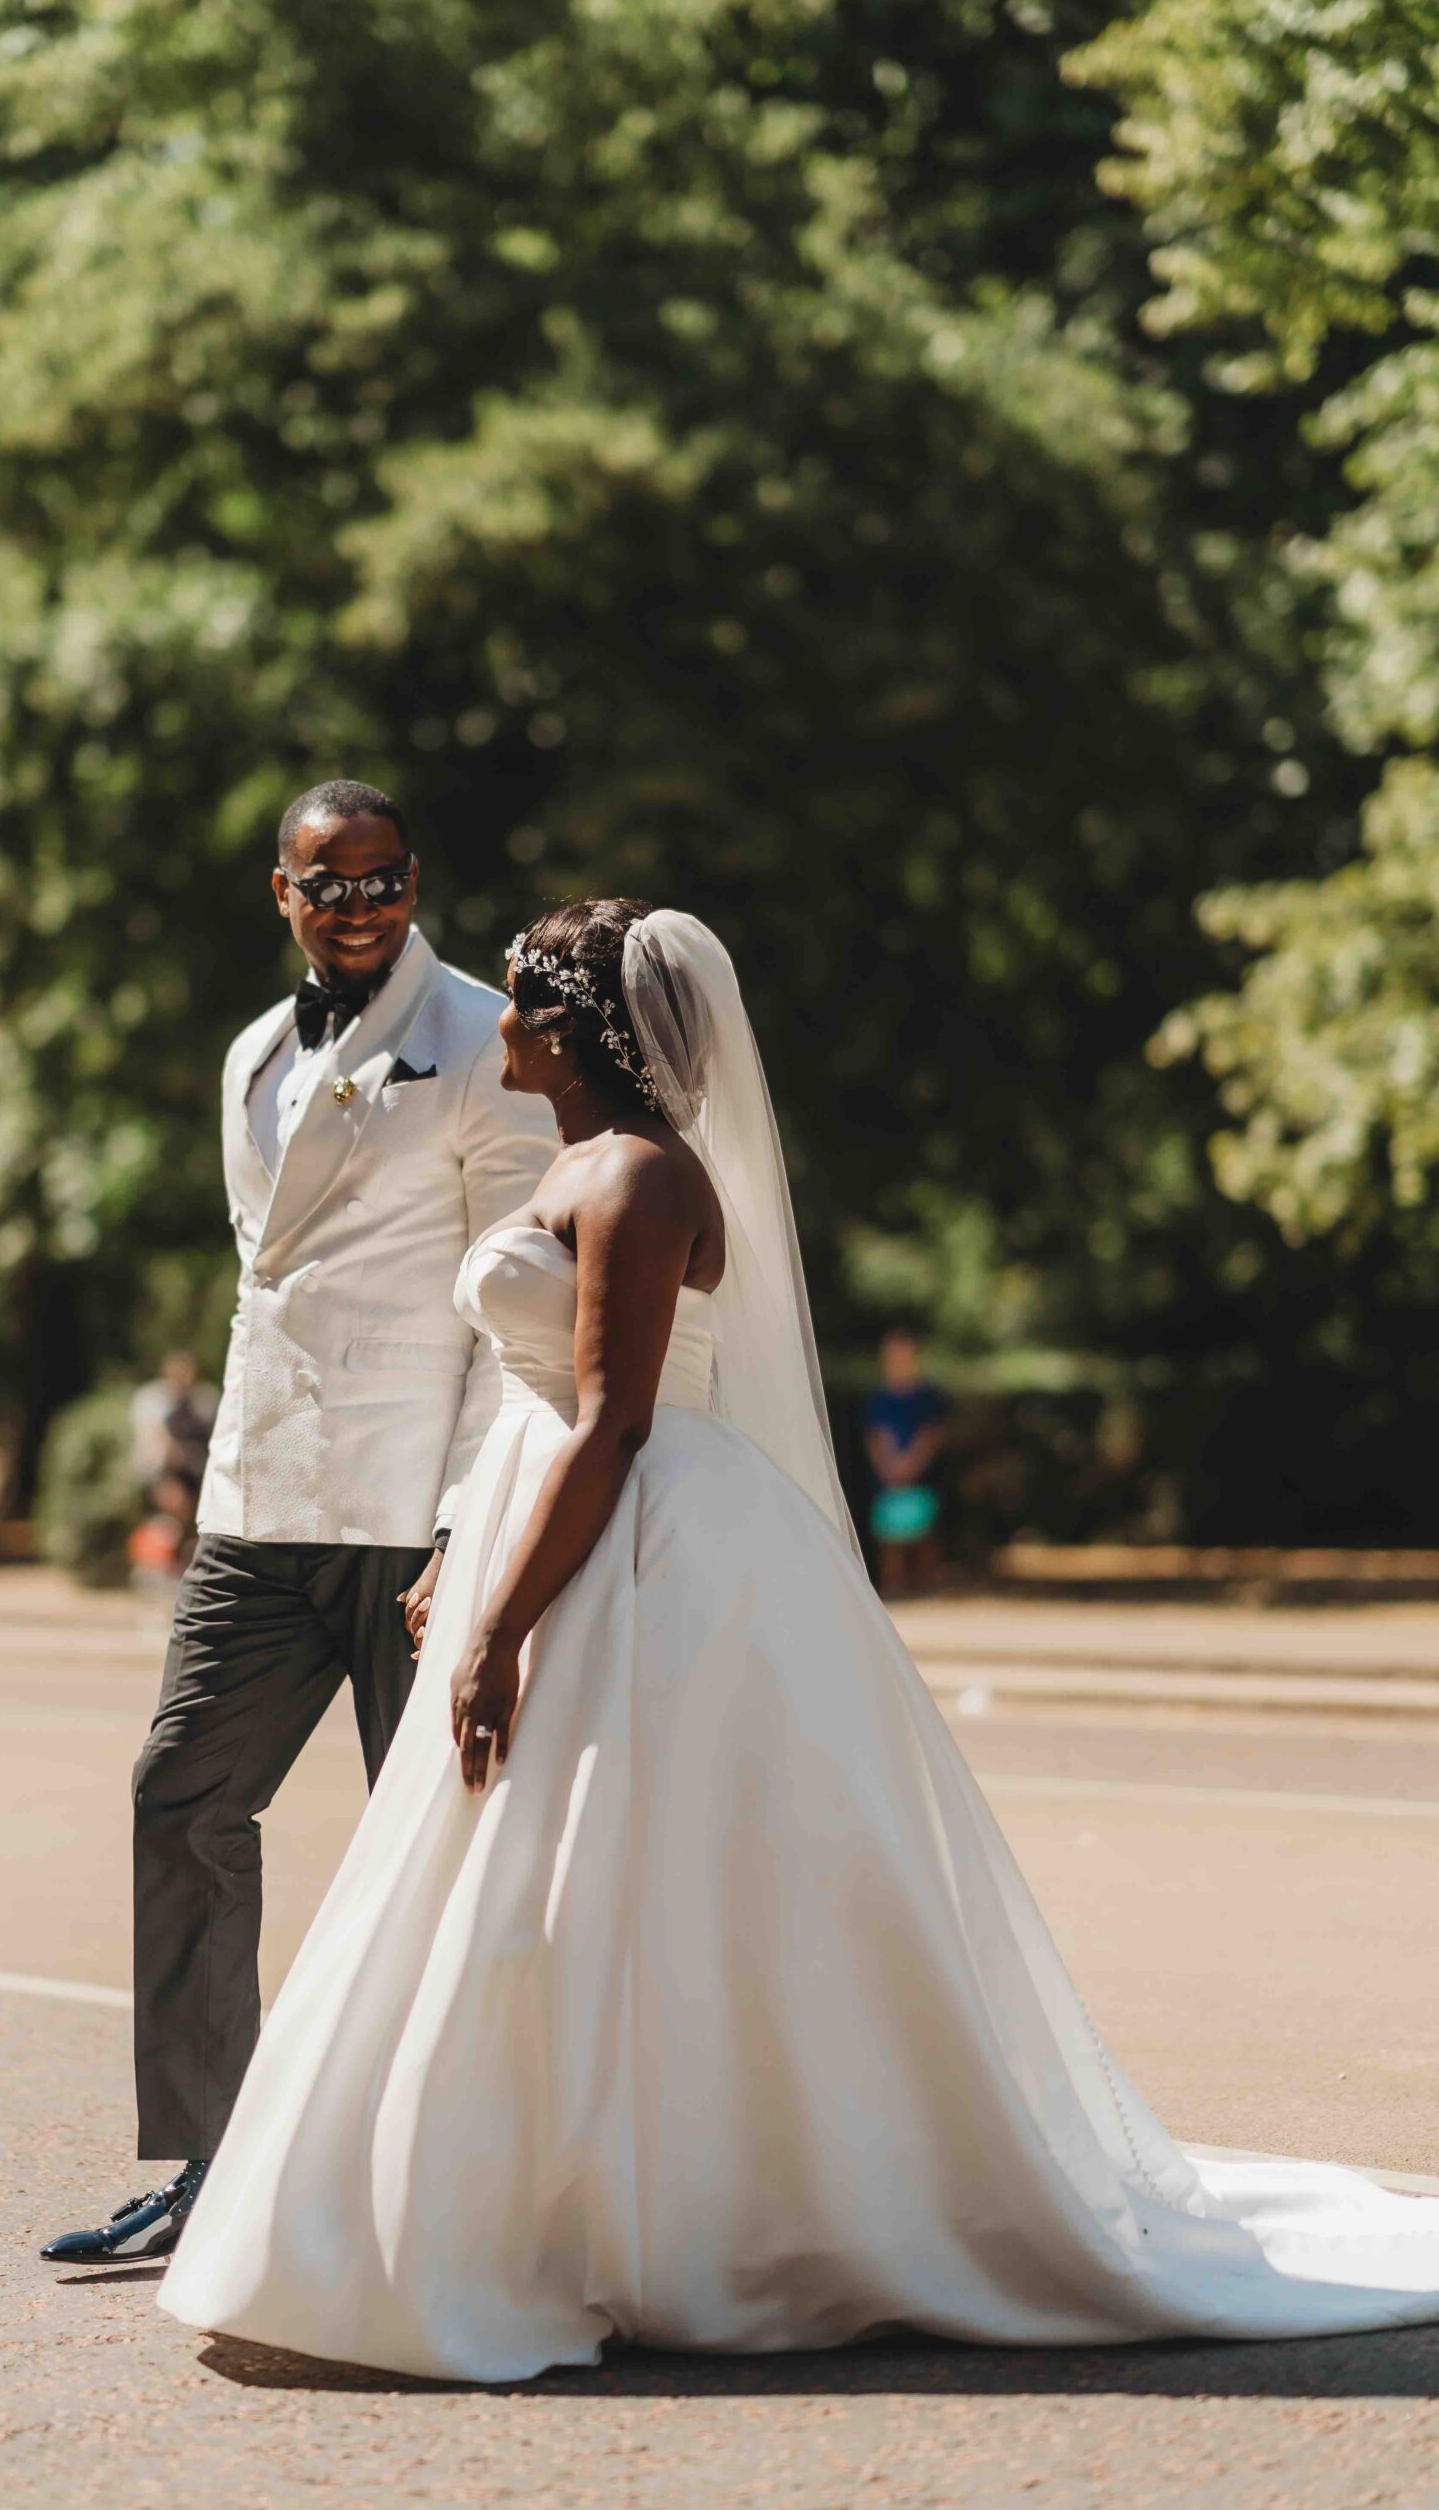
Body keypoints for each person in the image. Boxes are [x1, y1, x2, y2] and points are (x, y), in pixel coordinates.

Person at [160, 898, 1439, 2382]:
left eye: (516, 1003)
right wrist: (467, 1549)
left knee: (633, 1878)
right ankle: (549, 2202)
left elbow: (614, 1418)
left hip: (644, 1545)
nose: (491, 1024)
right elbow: (537, 1407)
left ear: (573, 1032)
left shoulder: (637, 1179)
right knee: (547, 1888)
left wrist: (506, 1620)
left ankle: (677, 2221)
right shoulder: (578, 1161)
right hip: (550, 1515)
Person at [41, 781, 554, 2264]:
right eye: (328, 885)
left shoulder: (482, 1038)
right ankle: (215, 2169)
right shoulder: (253, 1054)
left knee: (440, 1842)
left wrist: (470, 1518)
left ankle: (463, 2184)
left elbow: (504, 1302)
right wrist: (223, 1491)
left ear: (412, 878)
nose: (358, 906)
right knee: (179, 1793)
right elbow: (264, 1285)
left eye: (382, 878)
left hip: (414, 1513)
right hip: (260, 1511)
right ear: (282, 892)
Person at [864, 1324, 947, 1594]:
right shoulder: (878, 1399)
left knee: (924, 1535)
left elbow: (930, 1435)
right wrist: (887, 1468)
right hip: (888, 1480)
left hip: (921, 1479)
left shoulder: (926, 1397)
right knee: (889, 1539)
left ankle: (926, 1589)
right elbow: (875, 1438)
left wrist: (912, 1464)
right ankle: (895, 1589)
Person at [129, 1351, 219, 1579]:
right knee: (167, 1524)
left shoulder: (204, 1400)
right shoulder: (151, 1401)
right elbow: (152, 1446)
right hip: (163, 1474)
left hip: (197, 1474)